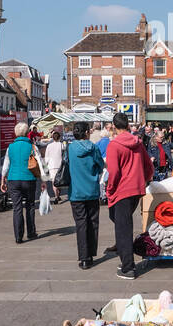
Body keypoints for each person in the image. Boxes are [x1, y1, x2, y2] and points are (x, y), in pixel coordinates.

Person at [105, 112, 153, 280]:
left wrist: (110, 189)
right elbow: (149, 167)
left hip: (122, 190)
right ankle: (127, 259)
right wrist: (144, 180)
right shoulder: (138, 143)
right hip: (136, 189)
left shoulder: (114, 145)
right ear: (127, 125)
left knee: (123, 228)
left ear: (113, 126)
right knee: (121, 222)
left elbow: (114, 172)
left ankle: (128, 268)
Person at [67, 122, 105, 270]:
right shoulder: (93, 147)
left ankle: (83, 258)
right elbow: (101, 165)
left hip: (76, 192)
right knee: (93, 223)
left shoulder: (70, 148)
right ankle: (90, 255)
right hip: (91, 190)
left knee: (81, 224)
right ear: (87, 132)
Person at [0, 122, 44, 243]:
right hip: (29, 179)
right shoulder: (32, 146)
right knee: (30, 206)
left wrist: (3, 178)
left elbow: (6, 164)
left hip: (13, 179)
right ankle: (31, 232)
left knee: (17, 208)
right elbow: (41, 163)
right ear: (26, 133)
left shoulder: (11, 147)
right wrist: (44, 180)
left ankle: (18, 236)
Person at [44, 132, 66, 205]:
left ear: (53, 138)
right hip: (60, 165)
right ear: (59, 137)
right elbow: (65, 154)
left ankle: (56, 196)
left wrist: (45, 167)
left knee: (54, 182)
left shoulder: (49, 146)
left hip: (51, 166)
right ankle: (58, 195)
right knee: (59, 181)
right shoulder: (62, 145)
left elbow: (46, 158)